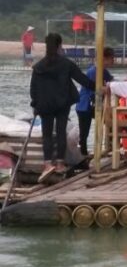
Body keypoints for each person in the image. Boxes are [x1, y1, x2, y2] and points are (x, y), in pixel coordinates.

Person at [29, 33, 94, 181]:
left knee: (47, 135)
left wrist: (35, 104)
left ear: (46, 46)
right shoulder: (66, 64)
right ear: (59, 46)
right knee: (60, 132)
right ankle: (59, 164)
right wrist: (97, 87)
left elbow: (33, 89)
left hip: (44, 105)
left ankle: (47, 165)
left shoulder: (38, 67)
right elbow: (82, 79)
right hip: (62, 104)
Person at [75, 46, 114, 157]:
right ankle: (83, 154)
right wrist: (104, 89)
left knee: (109, 121)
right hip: (85, 105)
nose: (113, 61)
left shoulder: (103, 71)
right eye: (111, 58)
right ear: (104, 58)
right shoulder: (93, 71)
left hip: (95, 105)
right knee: (84, 133)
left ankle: (109, 146)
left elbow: (111, 81)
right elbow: (95, 88)